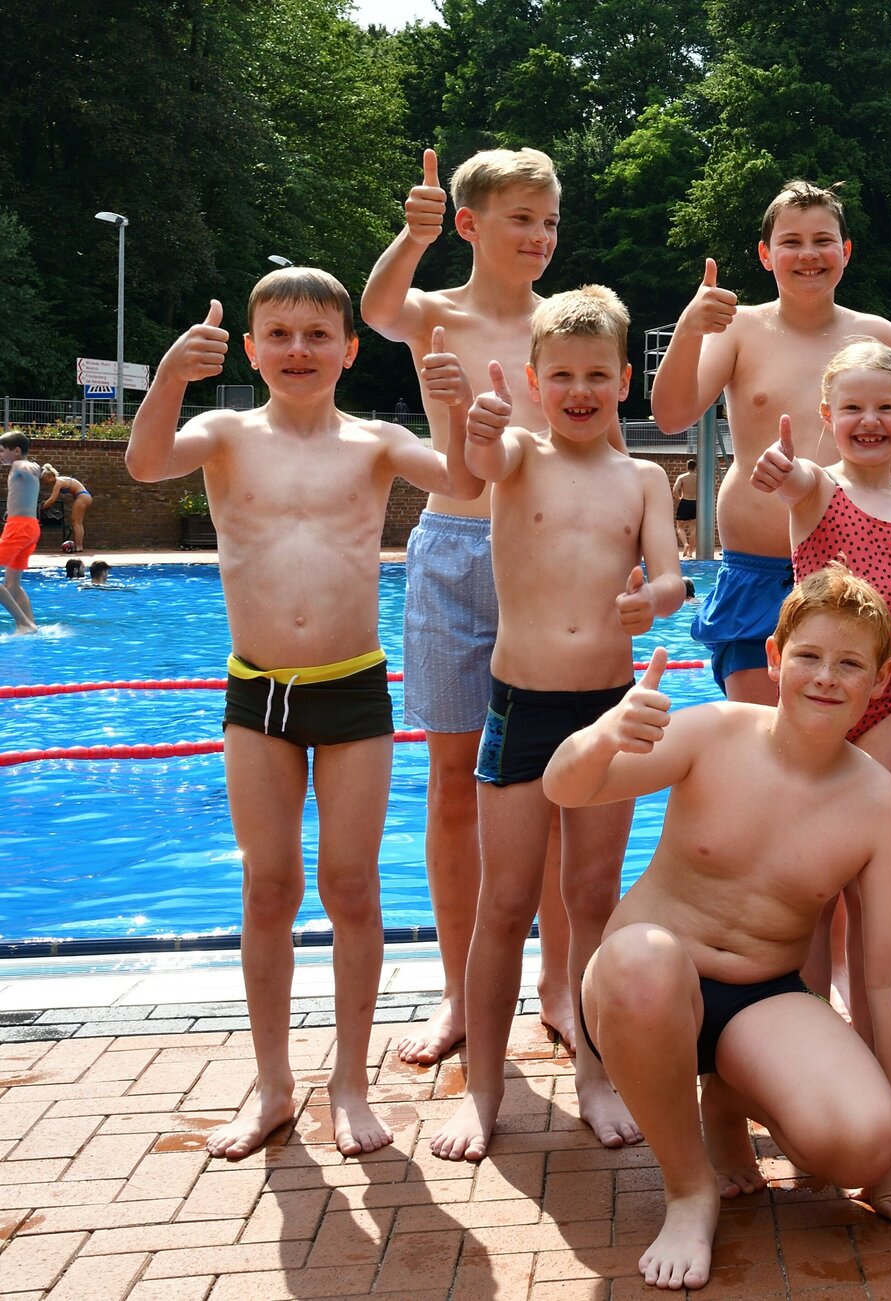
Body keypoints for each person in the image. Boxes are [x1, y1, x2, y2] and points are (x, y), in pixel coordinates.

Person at [124, 268, 483, 1158]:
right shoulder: (221, 433)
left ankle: (350, 1083)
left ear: (349, 350)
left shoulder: (373, 441)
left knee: (352, 888)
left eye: (317, 335)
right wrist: (170, 374)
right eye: (277, 334)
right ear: (249, 348)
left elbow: (466, 484)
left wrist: (449, 400)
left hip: (353, 688)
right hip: (259, 696)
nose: (297, 349)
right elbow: (141, 461)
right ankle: (274, 1084)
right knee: (269, 887)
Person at [547, 567, 891, 1290]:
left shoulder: (874, 805)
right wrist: (604, 735)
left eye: (850, 662)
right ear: (774, 657)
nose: (826, 677)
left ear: (884, 677)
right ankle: (688, 1188)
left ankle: (729, 1094)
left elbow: (890, 974)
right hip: (639, 988)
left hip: (759, 997)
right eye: (808, 656)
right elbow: (564, 786)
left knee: (864, 1142)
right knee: (643, 961)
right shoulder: (712, 732)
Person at [430, 286, 688, 1162]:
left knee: (589, 897)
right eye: (563, 375)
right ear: (538, 382)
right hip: (523, 707)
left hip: (607, 712)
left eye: (598, 375)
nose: (581, 389)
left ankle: (594, 1073)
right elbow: (481, 460)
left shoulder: (643, 476)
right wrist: (479, 418)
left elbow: (673, 578)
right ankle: (486, 1088)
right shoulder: (520, 458)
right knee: (504, 902)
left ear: (623, 380)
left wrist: (647, 600)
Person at [361, 145, 584, 1064]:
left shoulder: (560, 322)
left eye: (549, 221)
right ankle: (458, 991)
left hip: (552, 550)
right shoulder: (434, 312)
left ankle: (562, 985)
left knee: (570, 783)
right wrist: (406, 241)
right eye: (521, 219)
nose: (538, 236)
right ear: (470, 225)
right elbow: (376, 307)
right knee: (454, 783)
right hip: (455, 548)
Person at [650, 180, 891, 705]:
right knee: (760, 748)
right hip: (759, 569)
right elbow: (670, 415)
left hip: (850, 572)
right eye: (791, 241)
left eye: (823, 240)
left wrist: (869, 477)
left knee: (843, 745)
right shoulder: (739, 330)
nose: (808, 254)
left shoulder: (876, 336)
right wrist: (688, 330)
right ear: (765, 255)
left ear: (845, 252)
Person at [752, 339, 891, 1030]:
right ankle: (803, 1032)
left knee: (876, 893)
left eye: (887, 408)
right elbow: (793, 476)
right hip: (811, 707)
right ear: (826, 414)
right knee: (805, 888)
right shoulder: (819, 489)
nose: (870, 421)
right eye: (853, 408)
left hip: (885, 706)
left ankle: (874, 1035)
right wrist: (781, 468)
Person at [0, 431, 40, 632]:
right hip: (30, 526)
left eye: (2, 451)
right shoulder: (20, 469)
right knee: (12, 584)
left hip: (19, 528)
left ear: (16, 451)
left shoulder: (19, 466)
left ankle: (23, 623)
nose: (0, 455)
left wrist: (29, 466)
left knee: (11, 584)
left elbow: (25, 467)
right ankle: (31, 624)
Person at [37, 466, 91, 552]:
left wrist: (39, 508)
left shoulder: (59, 482)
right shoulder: (60, 481)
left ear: (50, 477)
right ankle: (79, 546)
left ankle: (79, 546)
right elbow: (53, 499)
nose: (45, 482)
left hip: (82, 497)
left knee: (75, 522)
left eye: (45, 480)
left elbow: (52, 500)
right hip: (84, 496)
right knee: (78, 522)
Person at [673, 463, 698, 558]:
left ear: (687, 467)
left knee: (680, 527)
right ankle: (691, 552)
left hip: (685, 502)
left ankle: (685, 544)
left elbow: (674, 490)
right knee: (693, 528)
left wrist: (678, 499)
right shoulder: (698, 478)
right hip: (695, 502)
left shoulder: (682, 477)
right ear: (695, 467)